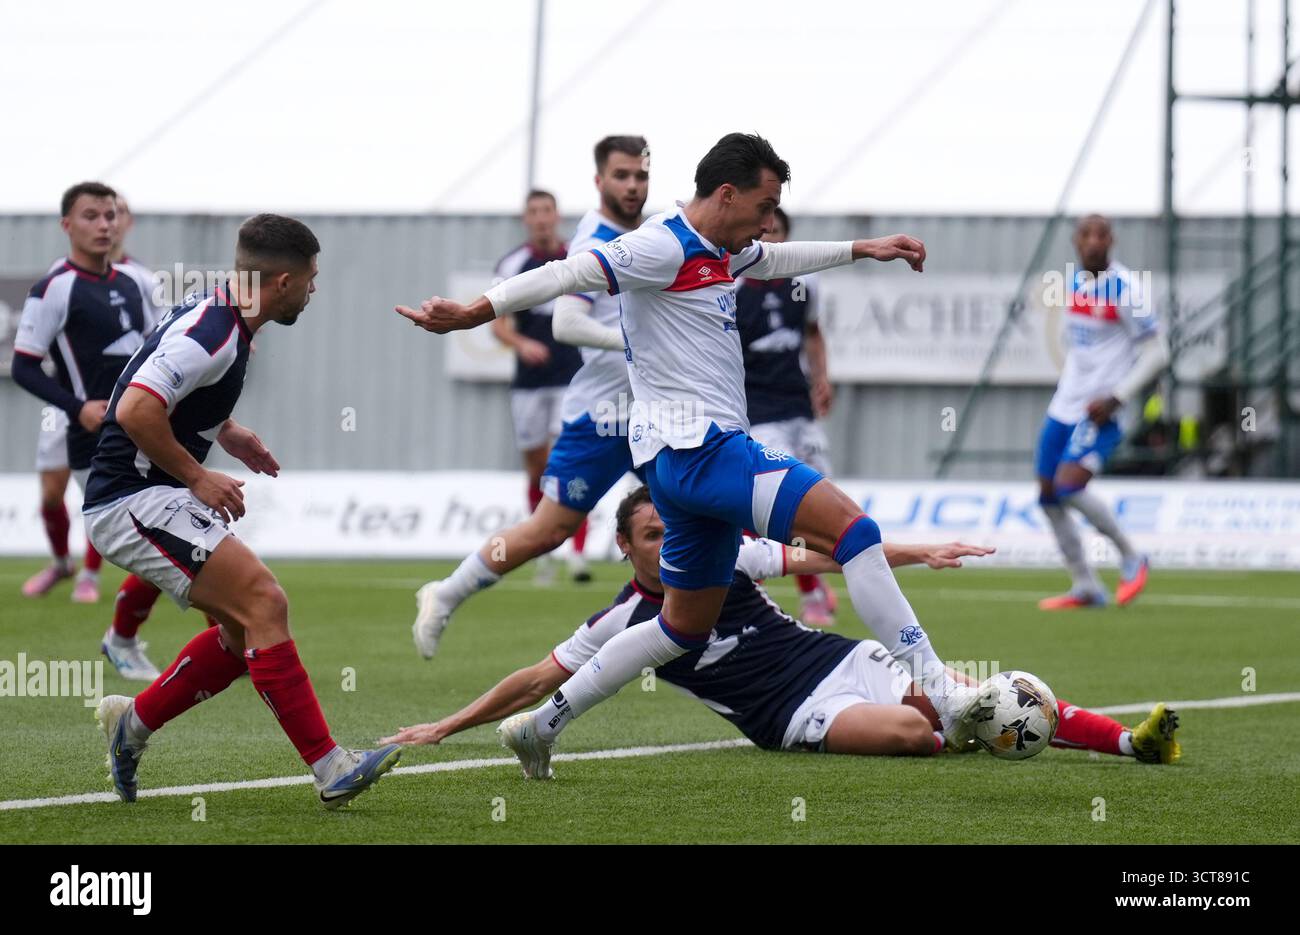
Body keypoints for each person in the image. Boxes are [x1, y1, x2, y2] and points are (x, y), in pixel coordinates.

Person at [397, 132, 996, 769]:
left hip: (670, 467)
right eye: (764, 207)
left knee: (681, 627)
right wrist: (474, 312)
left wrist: (863, 249)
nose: (768, 223)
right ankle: (941, 689)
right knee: (855, 532)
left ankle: (542, 726)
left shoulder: (722, 248)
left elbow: (774, 260)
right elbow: (566, 274)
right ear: (728, 193)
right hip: (703, 451)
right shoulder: (661, 243)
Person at [383, 487, 1181, 772]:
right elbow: (536, 679)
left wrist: (918, 548)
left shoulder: (724, 554)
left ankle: (1127, 742)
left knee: (974, 692)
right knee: (913, 730)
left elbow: (832, 554)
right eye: (653, 535)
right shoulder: (619, 619)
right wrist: (447, 727)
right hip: (793, 714)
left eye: (674, 530)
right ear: (623, 546)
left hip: (842, 660)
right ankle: (970, 732)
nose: (671, 543)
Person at [86, 214, 400, 808]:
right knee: (265, 602)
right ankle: (331, 767)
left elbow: (157, 385)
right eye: (311, 279)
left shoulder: (218, 314)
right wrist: (199, 474)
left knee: (239, 634)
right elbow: (134, 410)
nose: (314, 289)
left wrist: (222, 429)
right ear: (282, 282)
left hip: (152, 492)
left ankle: (132, 723)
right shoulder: (213, 332)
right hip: (129, 499)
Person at [409, 135, 651, 659]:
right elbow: (566, 323)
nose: (633, 185)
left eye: (641, 175)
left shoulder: (651, 234)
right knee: (548, 529)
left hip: (657, 412)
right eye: (622, 175)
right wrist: (641, 346)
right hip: (604, 414)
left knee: (705, 507)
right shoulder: (594, 243)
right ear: (599, 181)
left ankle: (713, 625)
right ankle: (446, 592)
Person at [13, 182, 154, 607]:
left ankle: (114, 617)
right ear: (67, 225)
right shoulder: (54, 288)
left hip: (142, 424)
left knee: (175, 538)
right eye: (91, 216)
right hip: (88, 432)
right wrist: (79, 409)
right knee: (150, 542)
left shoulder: (135, 282)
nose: (104, 224)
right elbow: (23, 366)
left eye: (110, 215)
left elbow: (156, 346)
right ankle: (76, 577)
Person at [1036, 215, 1168, 610]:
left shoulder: (1126, 288)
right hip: (1064, 404)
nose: (1093, 242)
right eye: (1086, 235)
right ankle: (1086, 586)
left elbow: (1160, 353)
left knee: (1069, 485)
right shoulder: (1073, 283)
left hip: (1101, 412)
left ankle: (1131, 555)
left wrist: (1117, 396)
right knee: (1047, 496)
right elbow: (1074, 343)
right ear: (1076, 242)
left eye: (1101, 235)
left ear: (1111, 241)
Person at [735, 206, 837, 625]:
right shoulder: (733, 286)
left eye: (778, 234)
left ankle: (811, 583)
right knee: (782, 501)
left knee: (821, 497)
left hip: (798, 405)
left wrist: (822, 379)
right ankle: (805, 593)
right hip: (757, 411)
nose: (770, 242)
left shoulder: (804, 283)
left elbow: (812, 335)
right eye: (765, 233)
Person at [489, 189, 588, 584]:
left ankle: (577, 554)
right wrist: (521, 343)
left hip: (572, 377)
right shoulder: (513, 263)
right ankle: (542, 550)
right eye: (534, 212)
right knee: (536, 469)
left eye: (547, 210)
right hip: (529, 384)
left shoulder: (578, 257)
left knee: (570, 461)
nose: (542, 218)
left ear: (557, 215)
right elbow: (497, 323)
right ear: (525, 219)